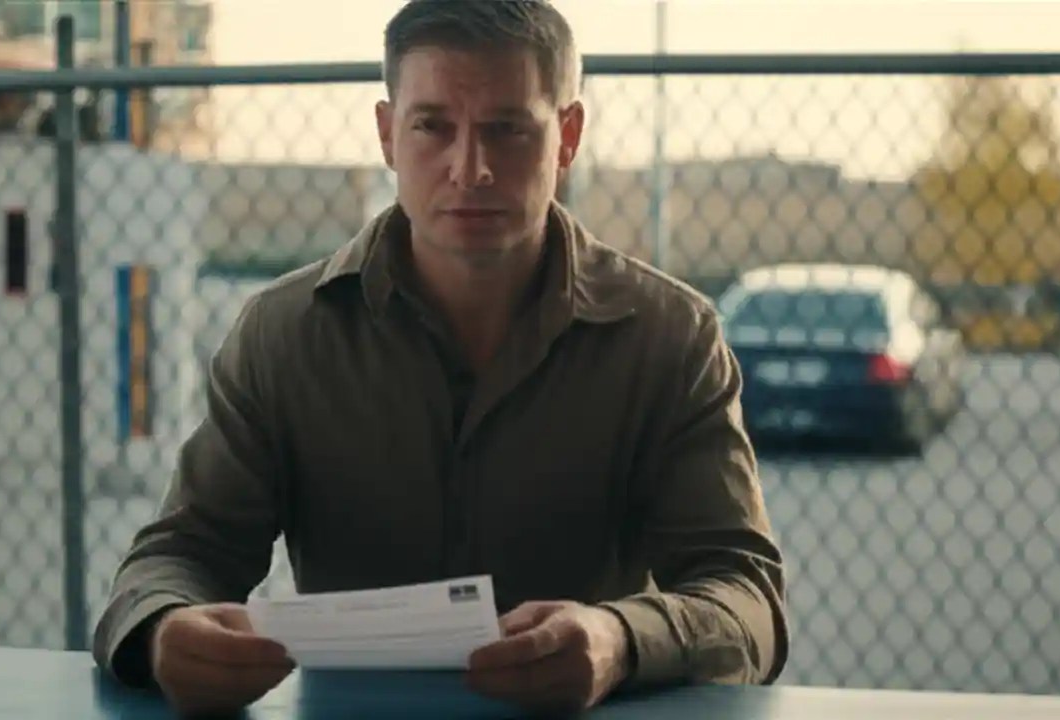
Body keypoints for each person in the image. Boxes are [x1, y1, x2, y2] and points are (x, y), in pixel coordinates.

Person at [92, 0, 789, 715]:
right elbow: (180, 555)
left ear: (569, 136)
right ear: (388, 134)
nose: (470, 168)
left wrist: (619, 640)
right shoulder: (284, 333)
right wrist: (164, 630)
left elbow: (747, 600)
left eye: (507, 129)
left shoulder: (669, 337)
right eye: (432, 127)